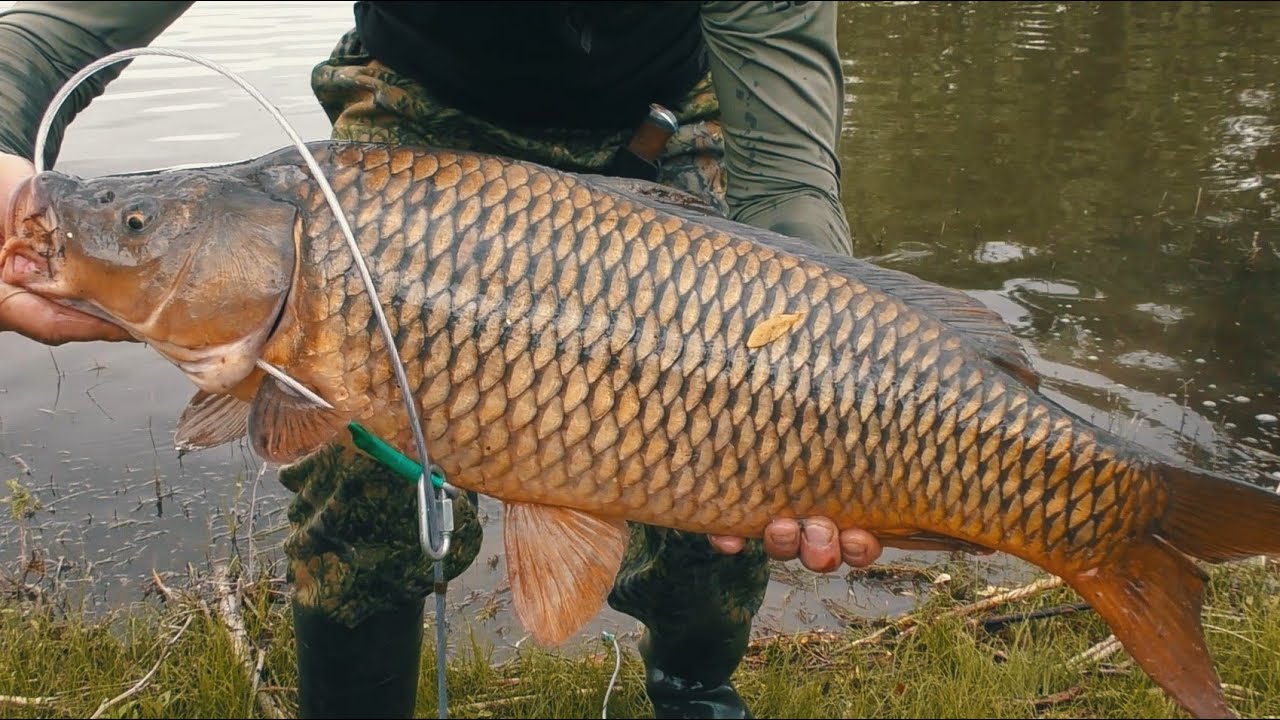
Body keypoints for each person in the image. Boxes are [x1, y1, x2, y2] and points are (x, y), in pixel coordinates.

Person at [0, 2, 886, 718]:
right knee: (349, 429)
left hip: (668, 111)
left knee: (740, 428)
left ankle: (693, 690)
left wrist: (838, 379)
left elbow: (788, 180)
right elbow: (59, 23)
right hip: (416, 131)